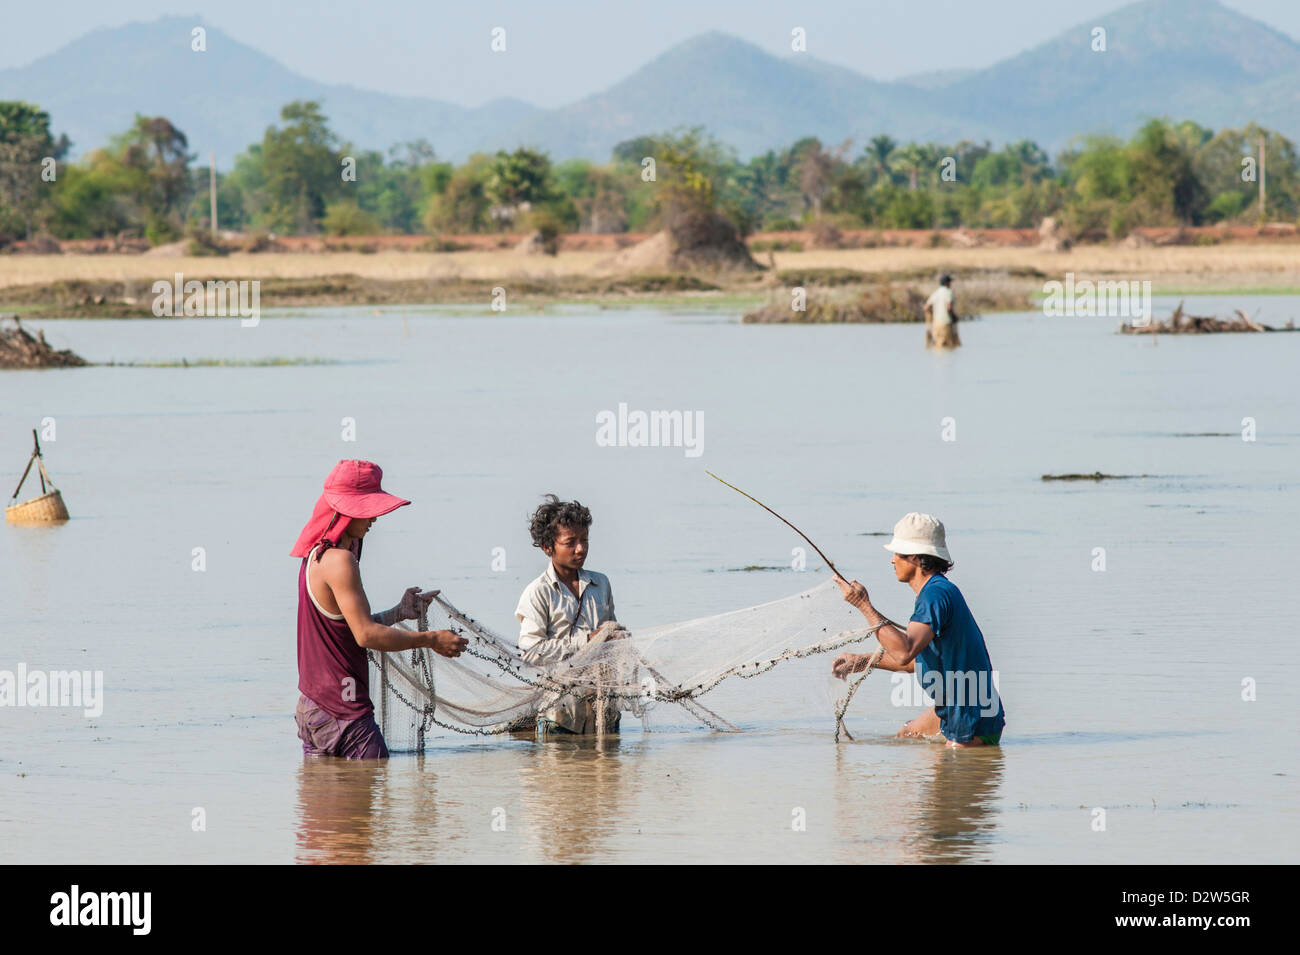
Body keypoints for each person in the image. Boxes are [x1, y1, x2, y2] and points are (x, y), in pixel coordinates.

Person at [290, 459, 467, 759]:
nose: (374, 518)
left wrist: (398, 613)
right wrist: (431, 639)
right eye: (368, 509)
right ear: (347, 510)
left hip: (313, 709)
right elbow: (366, 636)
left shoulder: (315, 556)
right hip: (344, 714)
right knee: (371, 787)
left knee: (326, 802)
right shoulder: (340, 561)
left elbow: (347, 629)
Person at [831, 512, 1004, 747]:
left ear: (914, 557)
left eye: (897, 554)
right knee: (907, 735)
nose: (892, 560)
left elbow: (905, 651)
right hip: (967, 705)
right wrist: (861, 661)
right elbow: (915, 661)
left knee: (953, 773)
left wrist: (863, 605)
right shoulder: (936, 592)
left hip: (970, 717)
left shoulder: (934, 595)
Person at [515, 494, 623, 736]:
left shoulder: (601, 583)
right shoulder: (538, 592)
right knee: (560, 774)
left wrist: (617, 639)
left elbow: (610, 635)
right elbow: (531, 652)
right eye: (570, 542)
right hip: (560, 717)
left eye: (585, 540)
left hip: (603, 713)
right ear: (547, 547)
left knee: (609, 773)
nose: (580, 548)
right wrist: (587, 641)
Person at [924, 274, 961, 349]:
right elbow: (948, 307)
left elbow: (926, 307)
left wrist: (932, 315)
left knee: (938, 347)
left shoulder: (936, 293)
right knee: (948, 346)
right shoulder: (948, 292)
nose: (950, 284)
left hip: (935, 325)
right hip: (946, 324)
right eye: (949, 282)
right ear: (946, 283)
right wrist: (954, 317)